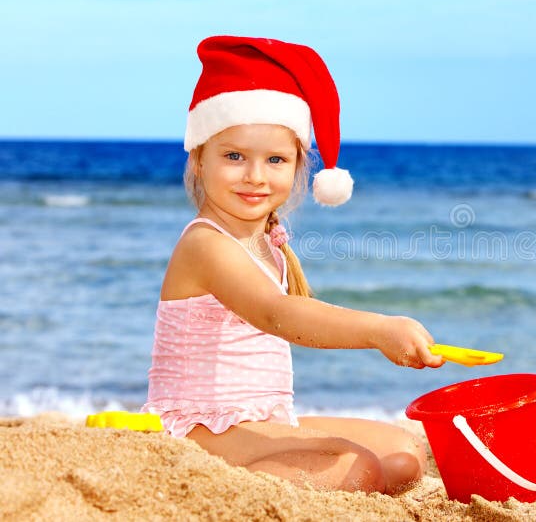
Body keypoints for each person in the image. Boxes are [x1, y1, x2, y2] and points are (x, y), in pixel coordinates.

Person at [141, 36, 443, 495]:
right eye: (234, 156)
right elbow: (278, 315)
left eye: (275, 160)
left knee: (403, 454)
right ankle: (210, 491)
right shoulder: (206, 244)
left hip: (261, 419)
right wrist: (378, 330)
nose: (255, 176)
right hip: (197, 430)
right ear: (200, 158)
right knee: (359, 469)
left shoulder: (269, 243)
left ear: (299, 167)